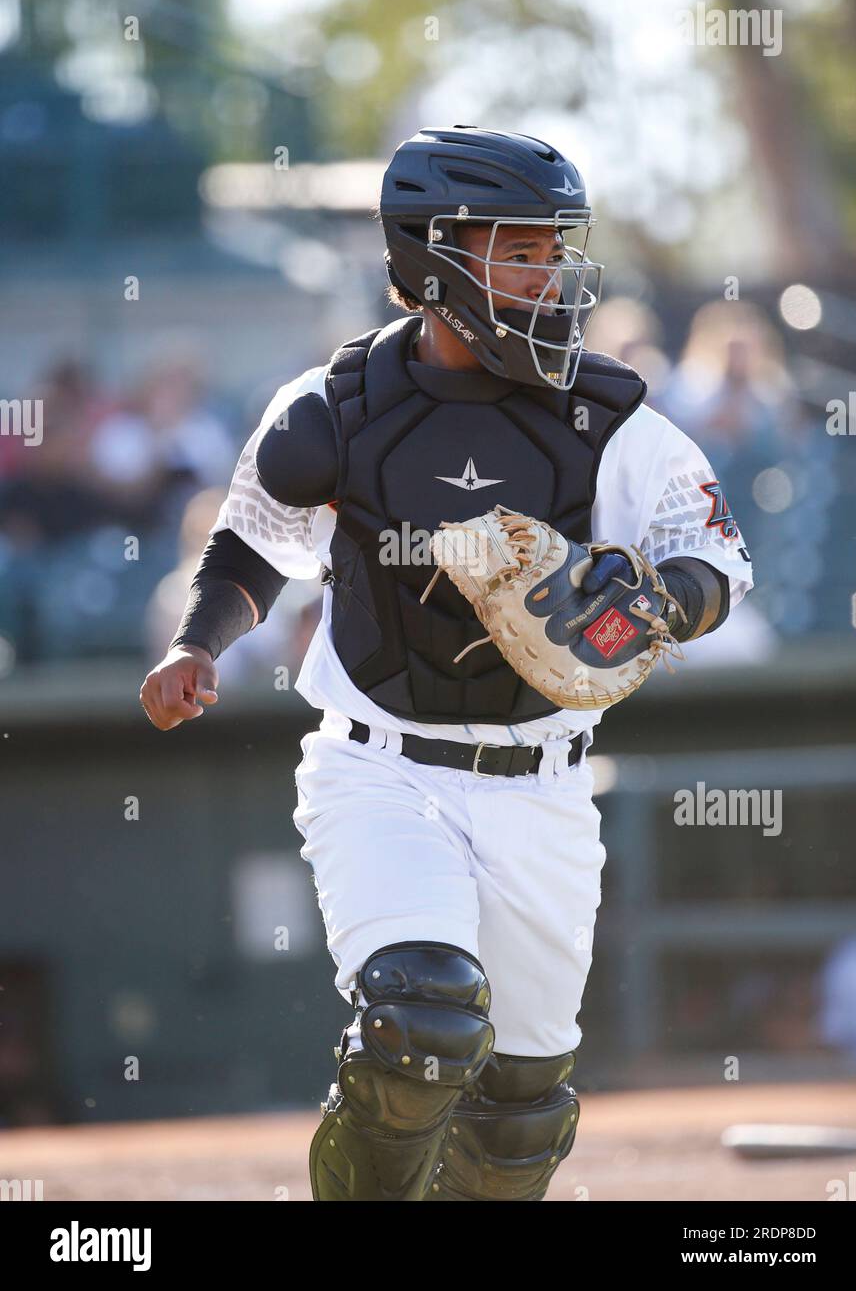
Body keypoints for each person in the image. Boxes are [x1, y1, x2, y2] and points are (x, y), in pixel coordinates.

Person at [139, 126, 754, 1202]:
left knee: (519, 1113)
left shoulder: (602, 413)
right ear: (433, 260)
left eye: (554, 248)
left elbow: (714, 552)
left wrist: (665, 597)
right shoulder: (332, 410)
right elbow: (252, 542)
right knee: (419, 1017)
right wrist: (199, 642)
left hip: (545, 783)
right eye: (518, 251)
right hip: (380, 766)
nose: (550, 276)